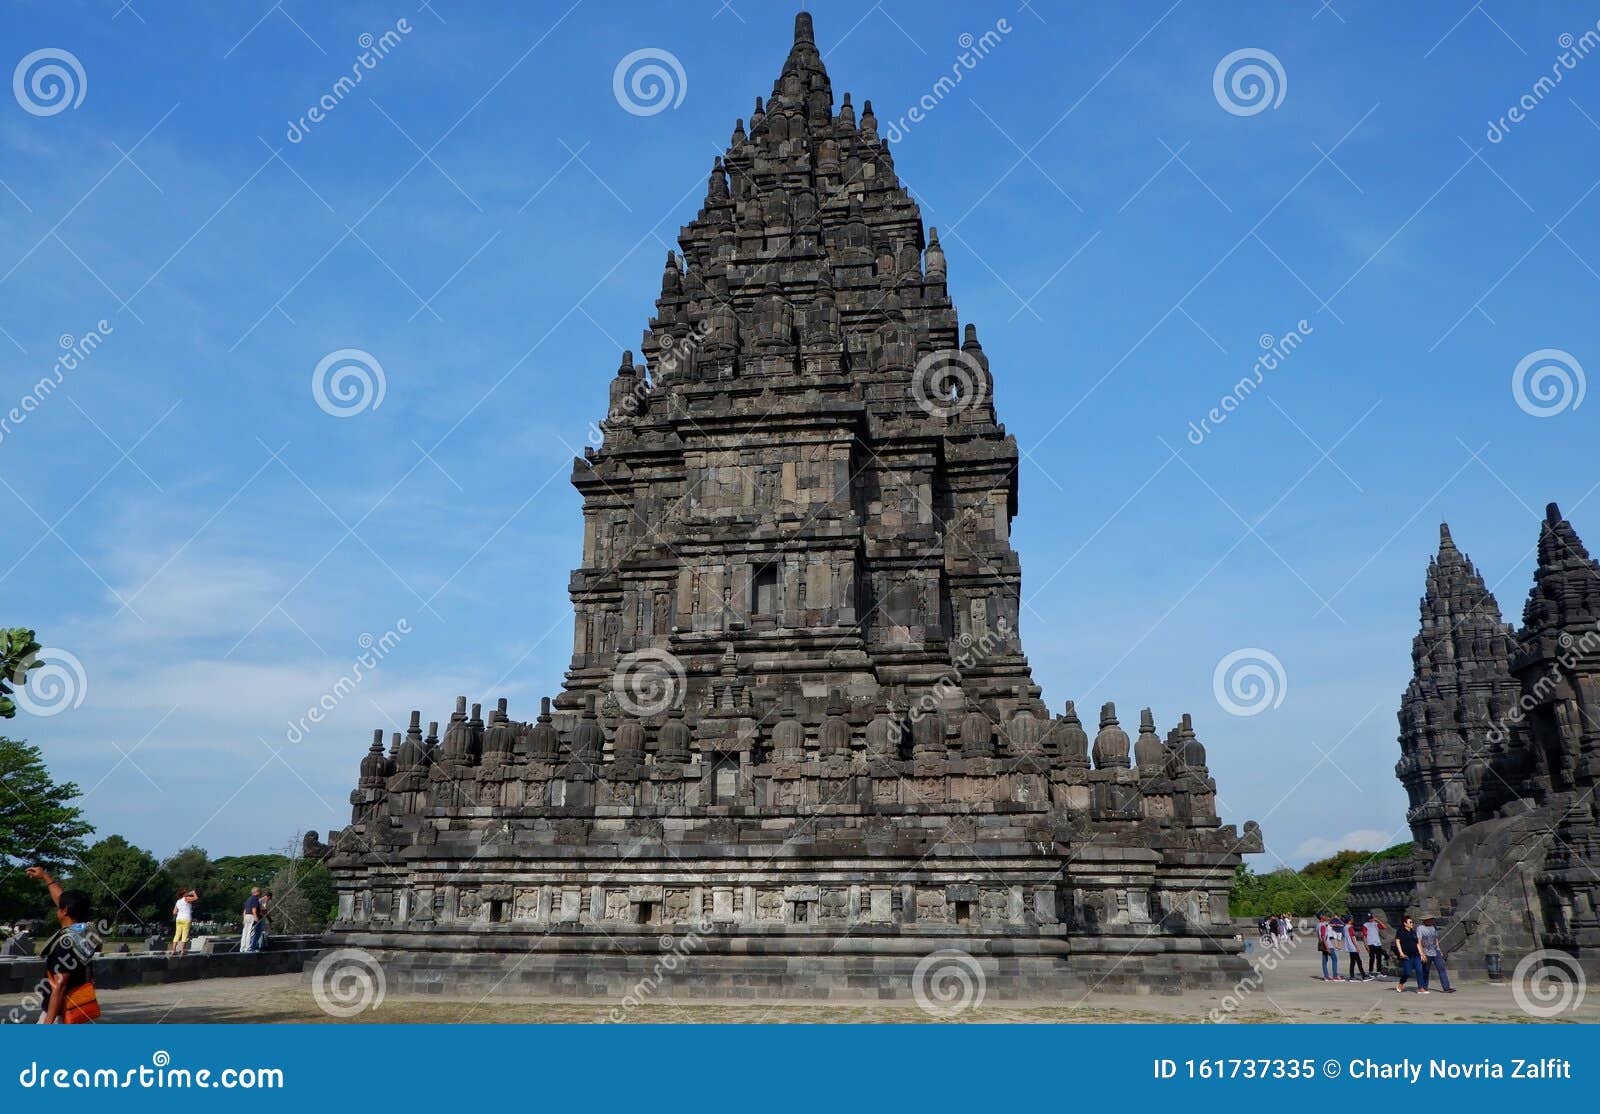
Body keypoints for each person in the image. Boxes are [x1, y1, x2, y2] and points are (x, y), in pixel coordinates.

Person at [23, 866, 100, 1024]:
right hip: (80, 1005)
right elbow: (63, 901)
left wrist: (48, 1023)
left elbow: (61, 985)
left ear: (64, 911)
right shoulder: (86, 932)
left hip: (61, 1013)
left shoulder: (65, 944)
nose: (57, 907)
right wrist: (46, 877)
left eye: (60, 907)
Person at [1417, 913, 1455, 993]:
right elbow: (1419, 941)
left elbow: (1436, 939)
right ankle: (1424, 987)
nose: (1432, 921)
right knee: (1426, 970)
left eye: (1432, 919)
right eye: (1430, 919)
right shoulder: (1420, 928)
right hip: (1426, 951)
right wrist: (1421, 953)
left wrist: (1439, 950)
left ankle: (1446, 987)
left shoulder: (1433, 927)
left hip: (1435, 951)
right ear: (1425, 920)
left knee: (1442, 969)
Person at [1393, 914, 1425, 994]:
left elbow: (1417, 944)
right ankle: (1401, 983)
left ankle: (1421, 988)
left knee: (1419, 971)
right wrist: (1401, 953)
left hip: (1416, 955)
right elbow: (1397, 942)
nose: (1412, 924)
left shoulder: (1413, 932)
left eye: (1412, 922)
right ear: (1405, 923)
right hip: (1407, 956)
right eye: (1410, 922)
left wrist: (1421, 954)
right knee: (1407, 972)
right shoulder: (1400, 931)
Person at [169, 888, 198, 955]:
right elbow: (196, 898)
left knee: (177, 934)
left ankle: (173, 950)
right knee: (184, 935)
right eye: (186, 893)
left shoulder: (178, 901)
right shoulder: (186, 898)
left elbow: (174, 912)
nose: (187, 893)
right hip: (186, 918)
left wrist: (181, 910)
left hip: (179, 919)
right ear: (184, 894)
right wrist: (193, 893)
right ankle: (182, 950)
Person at [1363, 911, 1388, 976]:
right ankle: (1370, 971)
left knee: (1379, 957)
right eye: (1369, 918)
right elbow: (1364, 936)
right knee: (1372, 958)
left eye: (1371, 918)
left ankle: (1379, 971)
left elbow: (1384, 927)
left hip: (1377, 943)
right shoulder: (1365, 925)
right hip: (1370, 943)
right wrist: (1366, 945)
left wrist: (1377, 920)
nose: (1370, 919)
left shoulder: (1375, 924)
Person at [1342, 915, 1367, 979]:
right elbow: (1352, 937)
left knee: (1352, 961)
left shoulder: (1345, 927)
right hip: (1352, 947)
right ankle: (1363, 975)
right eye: (1352, 919)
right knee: (1359, 961)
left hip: (1349, 947)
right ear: (1350, 920)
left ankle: (1352, 975)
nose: (1353, 919)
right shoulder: (1350, 927)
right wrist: (1357, 946)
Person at [241, 887, 263, 953]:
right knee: (250, 933)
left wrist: (244, 919)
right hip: (251, 916)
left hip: (247, 916)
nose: (260, 893)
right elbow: (254, 910)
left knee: (245, 933)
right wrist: (256, 919)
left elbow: (245, 910)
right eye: (259, 891)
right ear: (257, 892)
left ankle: (243, 948)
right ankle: (249, 948)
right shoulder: (255, 899)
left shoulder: (248, 899)